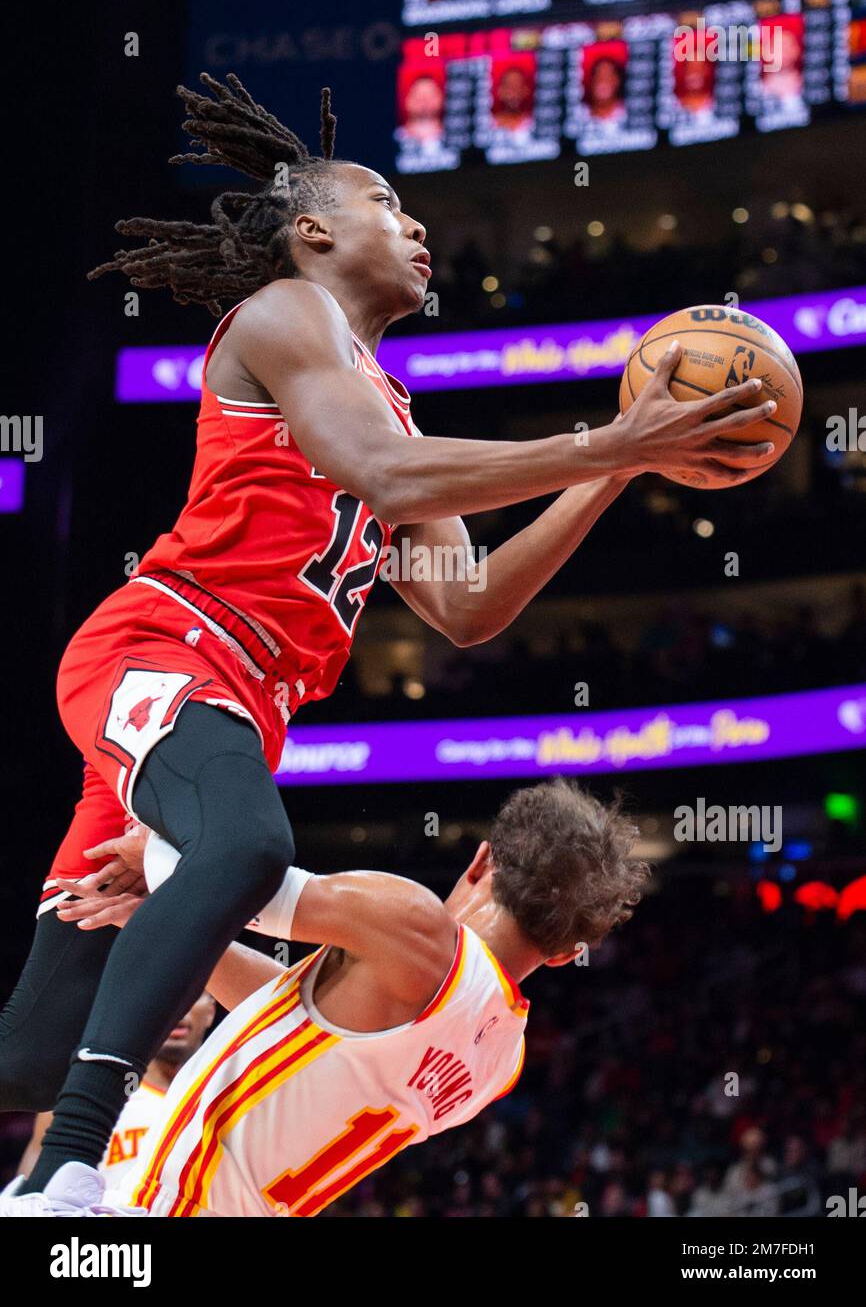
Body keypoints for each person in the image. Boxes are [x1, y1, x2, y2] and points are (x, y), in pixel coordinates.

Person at [0, 71, 775, 1211]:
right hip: (165, 650)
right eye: (384, 202)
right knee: (249, 853)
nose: (414, 226)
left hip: (237, 712)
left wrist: (622, 466)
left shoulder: (393, 403)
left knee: (31, 1038)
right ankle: (69, 1170)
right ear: (312, 232)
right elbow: (383, 475)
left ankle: (58, 1128)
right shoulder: (286, 317)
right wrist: (604, 436)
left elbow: (463, 607)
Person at [10, 779, 649, 1219]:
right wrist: (169, 930)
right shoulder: (501, 1060)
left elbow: (234, 882)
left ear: (480, 862)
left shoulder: (417, 928)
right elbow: (294, 1018)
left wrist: (152, 856)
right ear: (566, 952)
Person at [16, 991, 215, 1189]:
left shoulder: (224, 1094)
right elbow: (32, 1185)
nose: (180, 1008)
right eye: (171, 992)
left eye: (195, 995)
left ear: (210, 1012)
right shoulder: (84, 1088)